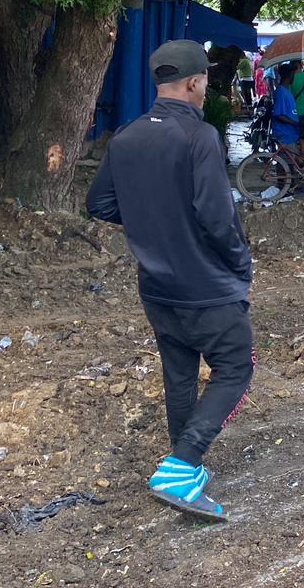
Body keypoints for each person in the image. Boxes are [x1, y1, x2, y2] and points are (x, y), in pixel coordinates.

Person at [86, 40, 253, 523]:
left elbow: (99, 205)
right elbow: (217, 218)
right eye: (206, 82)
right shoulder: (200, 137)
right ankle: (181, 465)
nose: (206, 89)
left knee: (180, 375)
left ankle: (185, 473)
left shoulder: (127, 137)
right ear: (196, 82)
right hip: (207, 286)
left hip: (156, 288)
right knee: (236, 368)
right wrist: (241, 266)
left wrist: (150, 220)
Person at [271, 63, 301, 153]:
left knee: (290, 161)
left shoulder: (286, 91)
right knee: (289, 162)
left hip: (290, 133)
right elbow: (278, 114)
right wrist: (294, 123)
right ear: (290, 75)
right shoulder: (281, 93)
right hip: (284, 134)